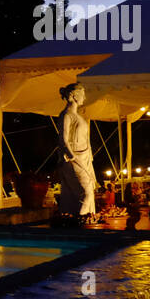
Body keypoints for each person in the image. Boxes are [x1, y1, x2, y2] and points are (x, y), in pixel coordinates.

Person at [57, 83, 97, 221]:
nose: (85, 97)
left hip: (84, 157)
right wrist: (71, 155)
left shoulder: (78, 116)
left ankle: (79, 220)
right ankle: (82, 221)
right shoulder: (66, 115)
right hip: (74, 158)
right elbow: (63, 138)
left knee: (85, 191)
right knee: (86, 193)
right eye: (83, 94)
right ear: (74, 95)